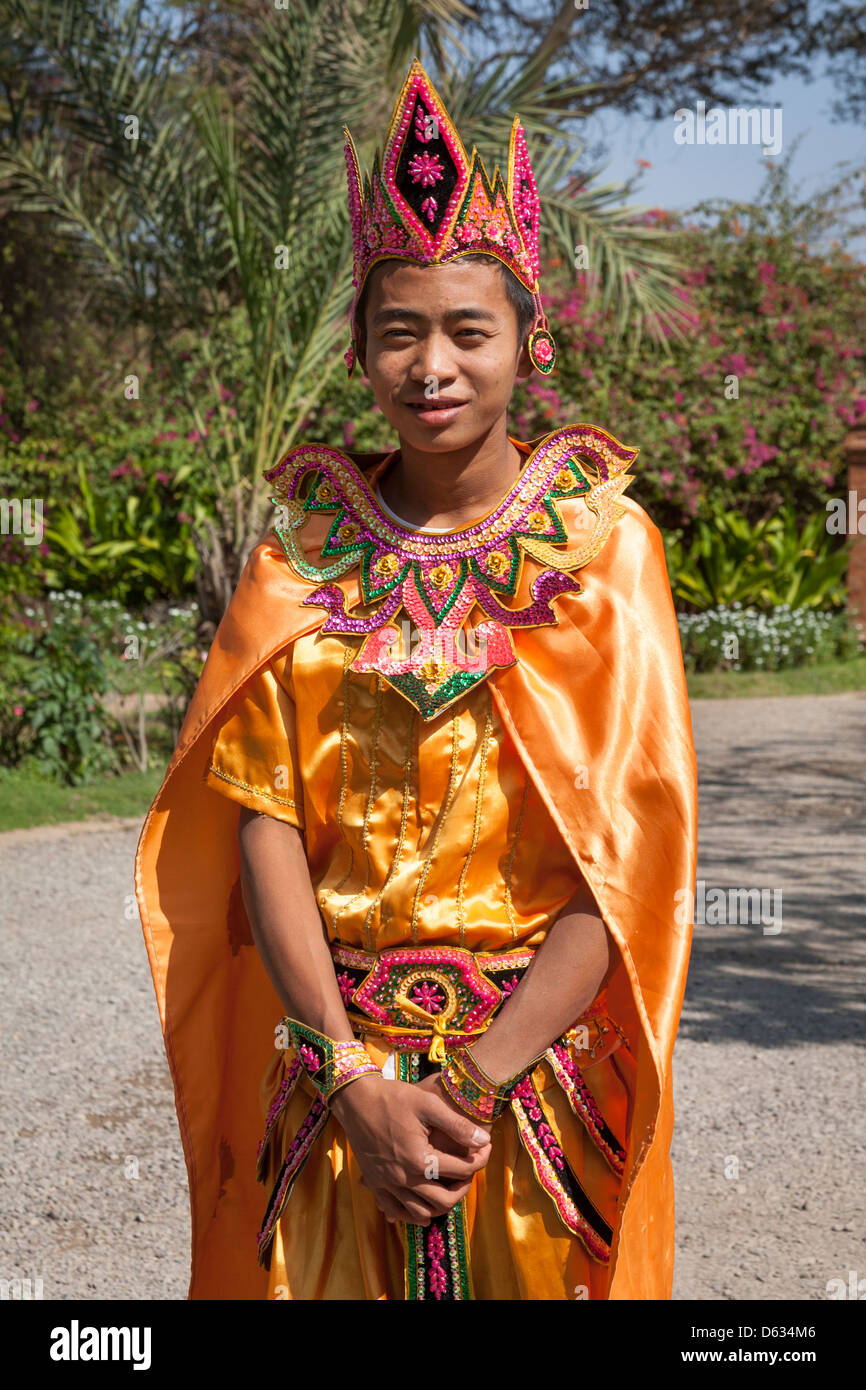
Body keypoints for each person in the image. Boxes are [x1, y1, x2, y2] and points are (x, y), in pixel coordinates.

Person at [135, 57, 698, 1301]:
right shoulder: (301, 559)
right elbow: (264, 824)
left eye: (466, 330)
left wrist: (473, 1081)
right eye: (399, 331)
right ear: (359, 350)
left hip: (526, 1097)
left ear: (525, 341)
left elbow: (630, 856)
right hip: (336, 1095)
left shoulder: (605, 556)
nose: (431, 364)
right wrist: (352, 1079)